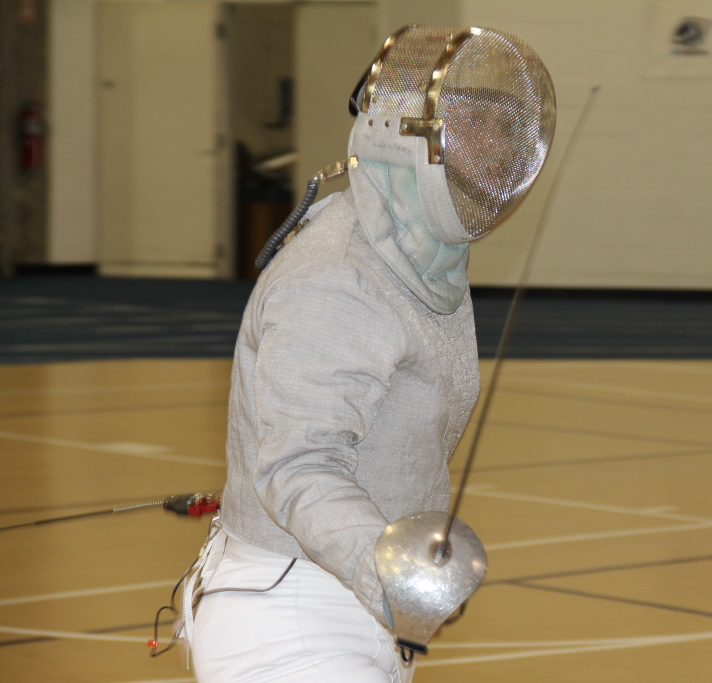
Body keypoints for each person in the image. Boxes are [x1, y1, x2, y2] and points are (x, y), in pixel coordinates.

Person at [183, 25, 556, 682]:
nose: (498, 145)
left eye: (507, 127)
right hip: (292, 621)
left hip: (352, 612)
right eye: (472, 122)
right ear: (405, 137)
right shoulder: (338, 276)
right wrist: (397, 574)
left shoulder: (421, 255)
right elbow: (298, 465)